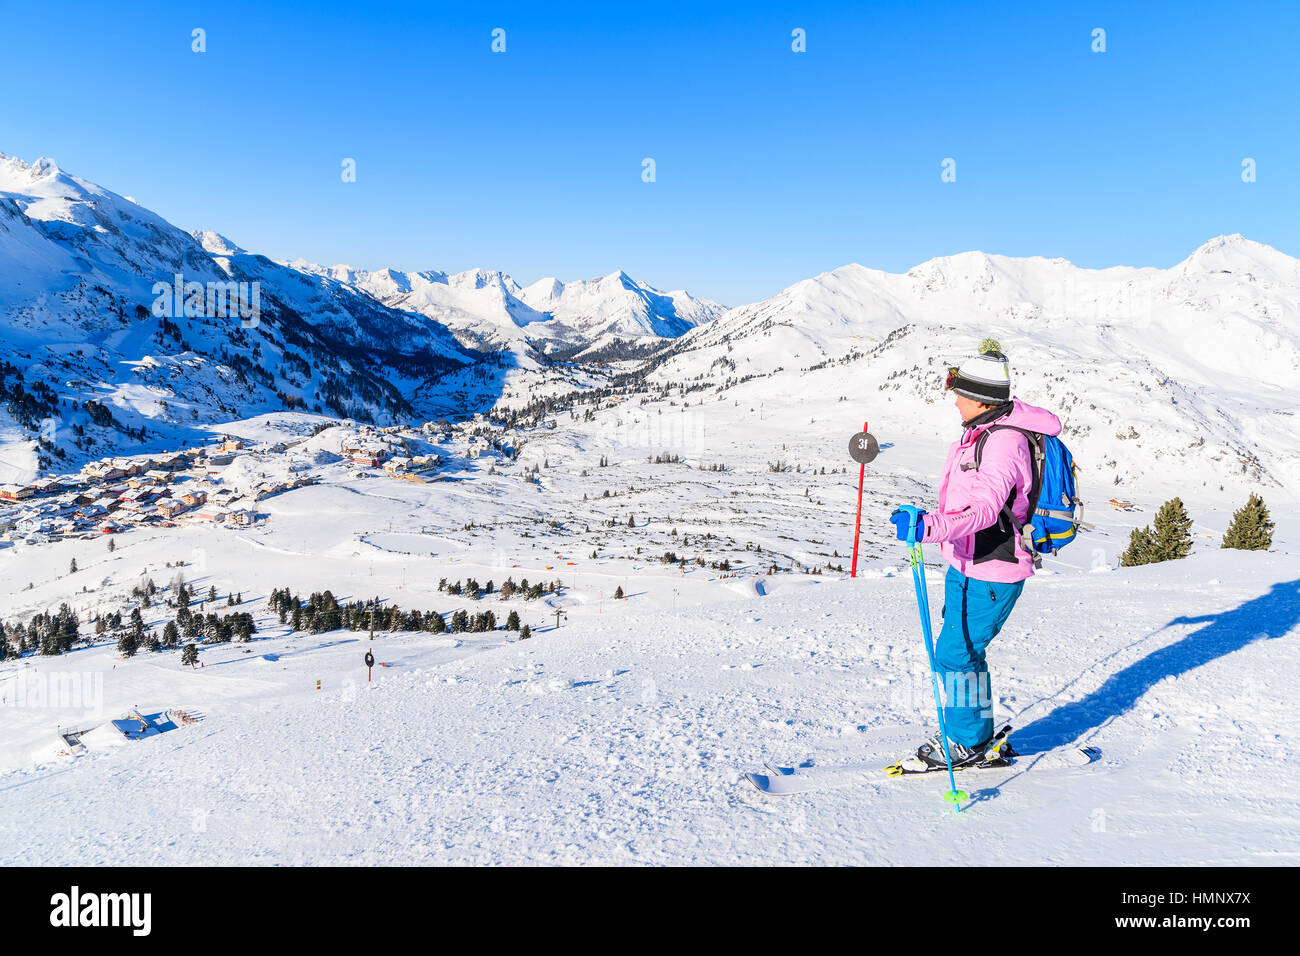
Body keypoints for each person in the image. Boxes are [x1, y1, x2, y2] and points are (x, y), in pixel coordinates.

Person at [889, 345, 1061, 767]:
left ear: (982, 399)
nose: (954, 400)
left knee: (957, 653)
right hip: (966, 562)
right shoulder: (984, 432)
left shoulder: (1003, 442)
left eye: (960, 393)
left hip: (993, 567)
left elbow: (983, 512)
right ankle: (973, 731)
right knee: (959, 651)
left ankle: (968, 740)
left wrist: (928, 527)